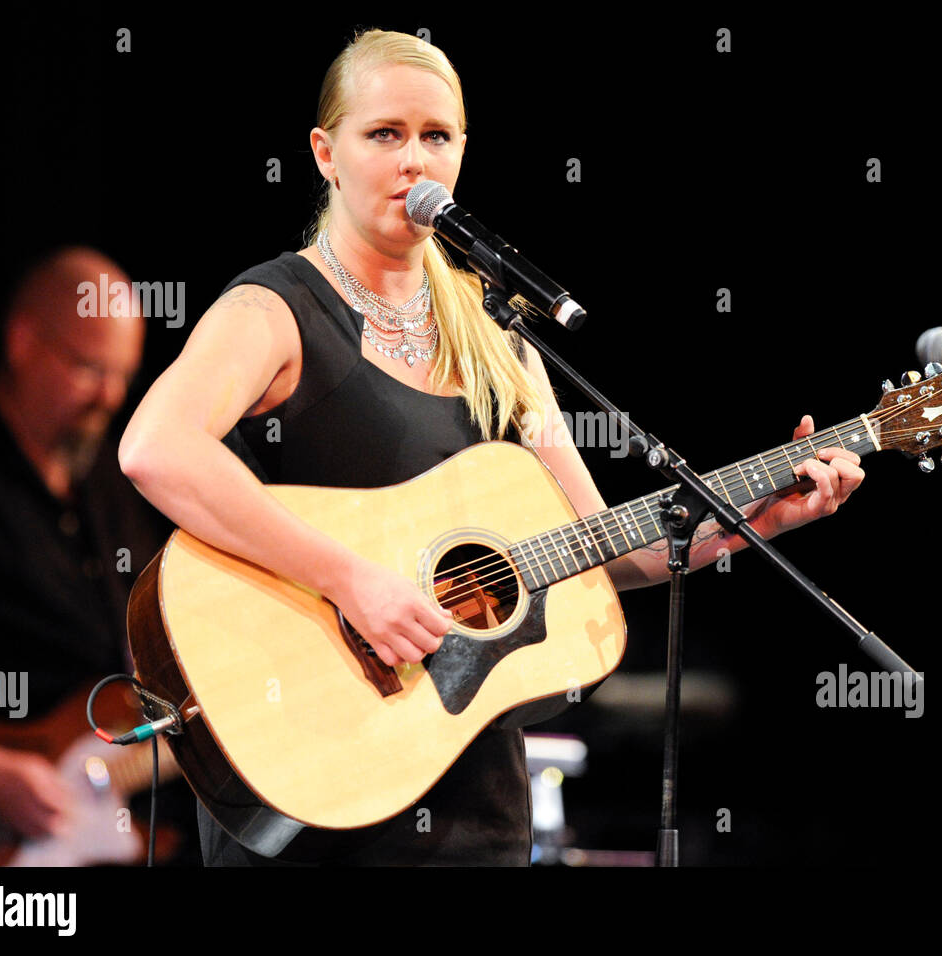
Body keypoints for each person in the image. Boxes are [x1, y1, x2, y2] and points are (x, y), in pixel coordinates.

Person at [118, 28, 864, 866]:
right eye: (384, 134)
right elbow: (156, 448)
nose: (415, 161)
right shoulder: (275, 309)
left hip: (478, 813)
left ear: (464, 151)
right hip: (315, 782)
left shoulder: (498, 334)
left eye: (436, 136)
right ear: (327, 153)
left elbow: (606, 547)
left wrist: (754, 517)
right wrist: (350, 579)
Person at [0, 246, 197, 863]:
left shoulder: (111, 481)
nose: (109, 396)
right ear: (23, 342)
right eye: (89, 368)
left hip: (111, 805)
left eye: (123, 376)